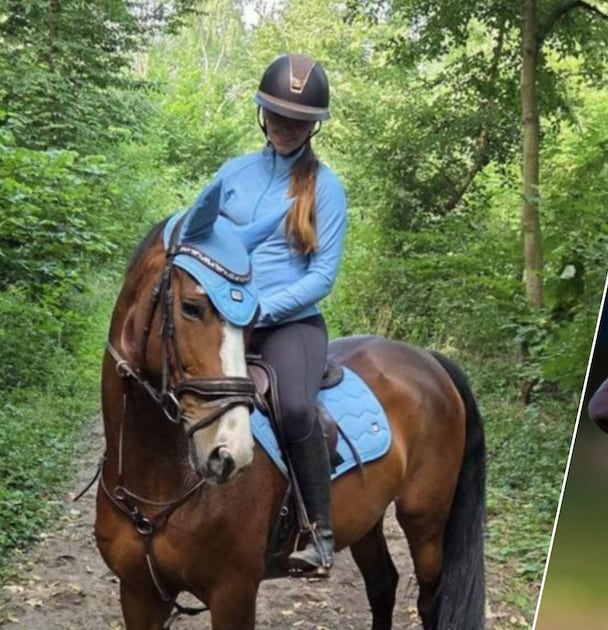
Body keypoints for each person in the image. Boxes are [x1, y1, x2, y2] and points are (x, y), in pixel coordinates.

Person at [209, 52, 347, 577]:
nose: (287, 127)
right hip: (226, 317)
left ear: (313, 126)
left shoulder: (326, 188)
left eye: (299, 120)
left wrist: (262, 307)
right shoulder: (233, 174)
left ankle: (319, 532)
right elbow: (204, 241)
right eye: (278, 115)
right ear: (261, 113)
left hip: (291, 325)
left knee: (292, 409)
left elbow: (322, 277)